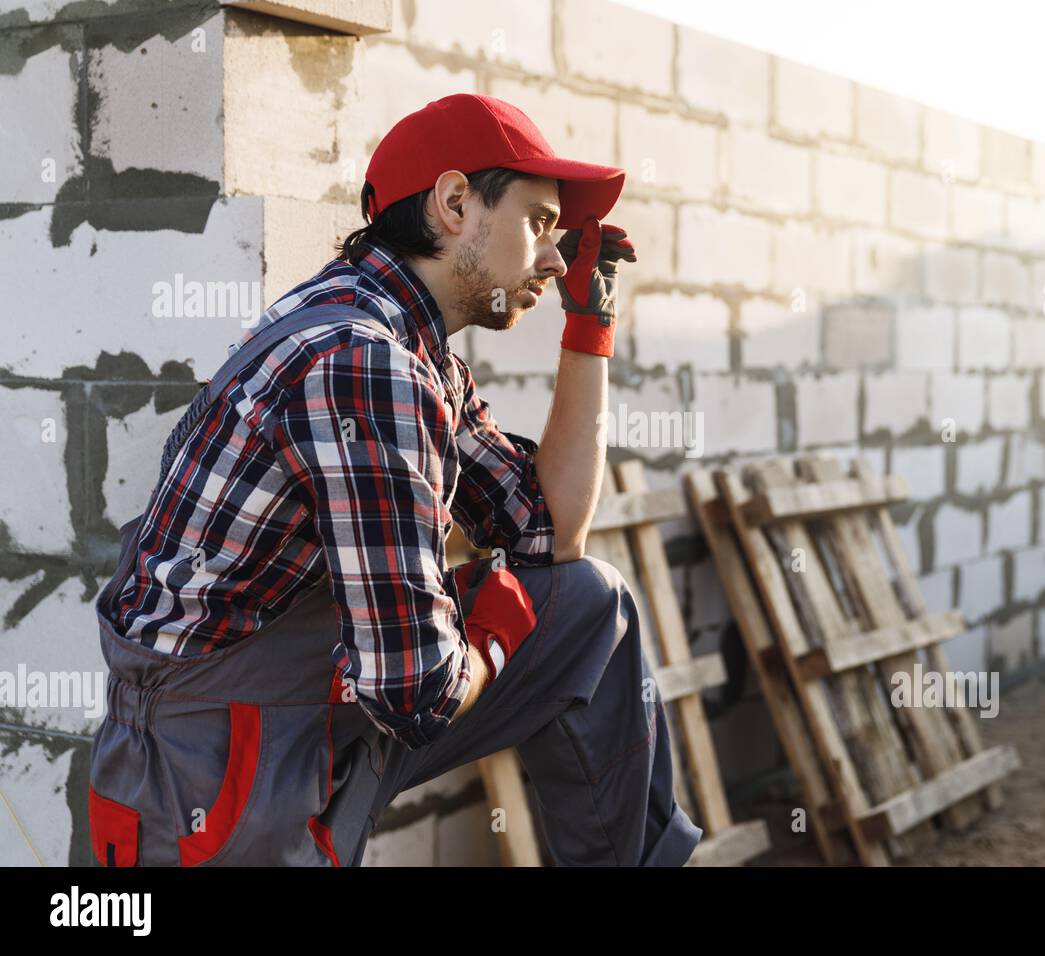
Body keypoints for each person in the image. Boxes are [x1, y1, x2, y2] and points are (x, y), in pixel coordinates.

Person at [85, 93, 703, 867]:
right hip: (211, 764)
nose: (555, 256)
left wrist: (590, 328)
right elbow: (417, 691)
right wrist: (498, 637)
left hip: (312, 701)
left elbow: (552, 534)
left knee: (587, 607)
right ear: (453, 203)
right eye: (542, 222)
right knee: (515, 628)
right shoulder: (362, 358)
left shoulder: (411, 347)